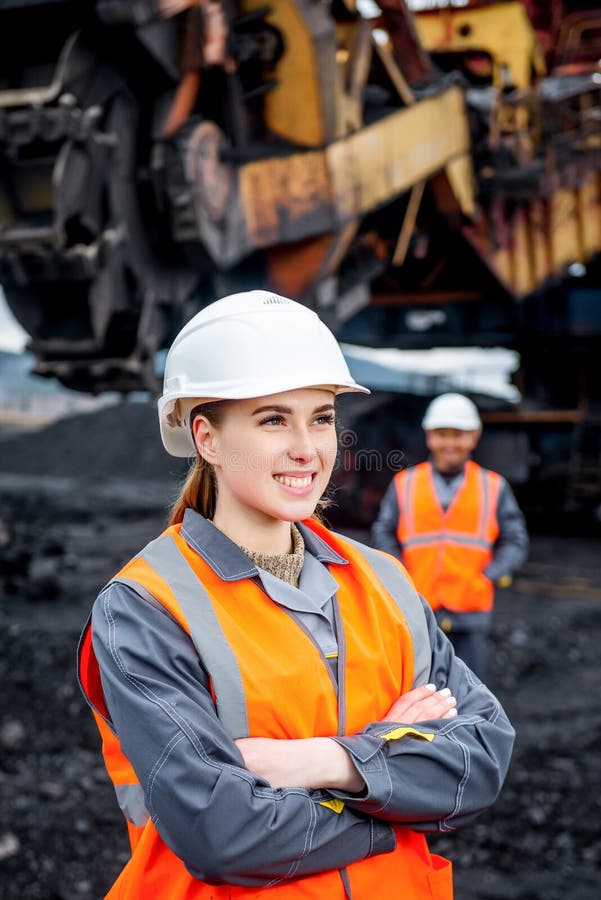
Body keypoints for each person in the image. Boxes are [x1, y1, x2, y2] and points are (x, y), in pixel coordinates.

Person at [78, 292, 515, 899]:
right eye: (273, 419)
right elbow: (220, 834)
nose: (308, 448)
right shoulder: (145, 608)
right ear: (206, 437)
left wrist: (322, 762)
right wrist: (392, 794)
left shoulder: (383, 582)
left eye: (321, 416)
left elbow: (484, 757)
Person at [371, 392, 529, 681]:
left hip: (470, 608)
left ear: (474, 437)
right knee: (420, 691)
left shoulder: (493, 486)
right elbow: (384, 532)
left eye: (458, 434)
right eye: (442, 434)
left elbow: (514, 539)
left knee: (470, 693)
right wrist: (401, 573)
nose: (450, 443)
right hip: (418, 608)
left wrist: (489, 574)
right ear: (429, 436)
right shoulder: (405, 484)